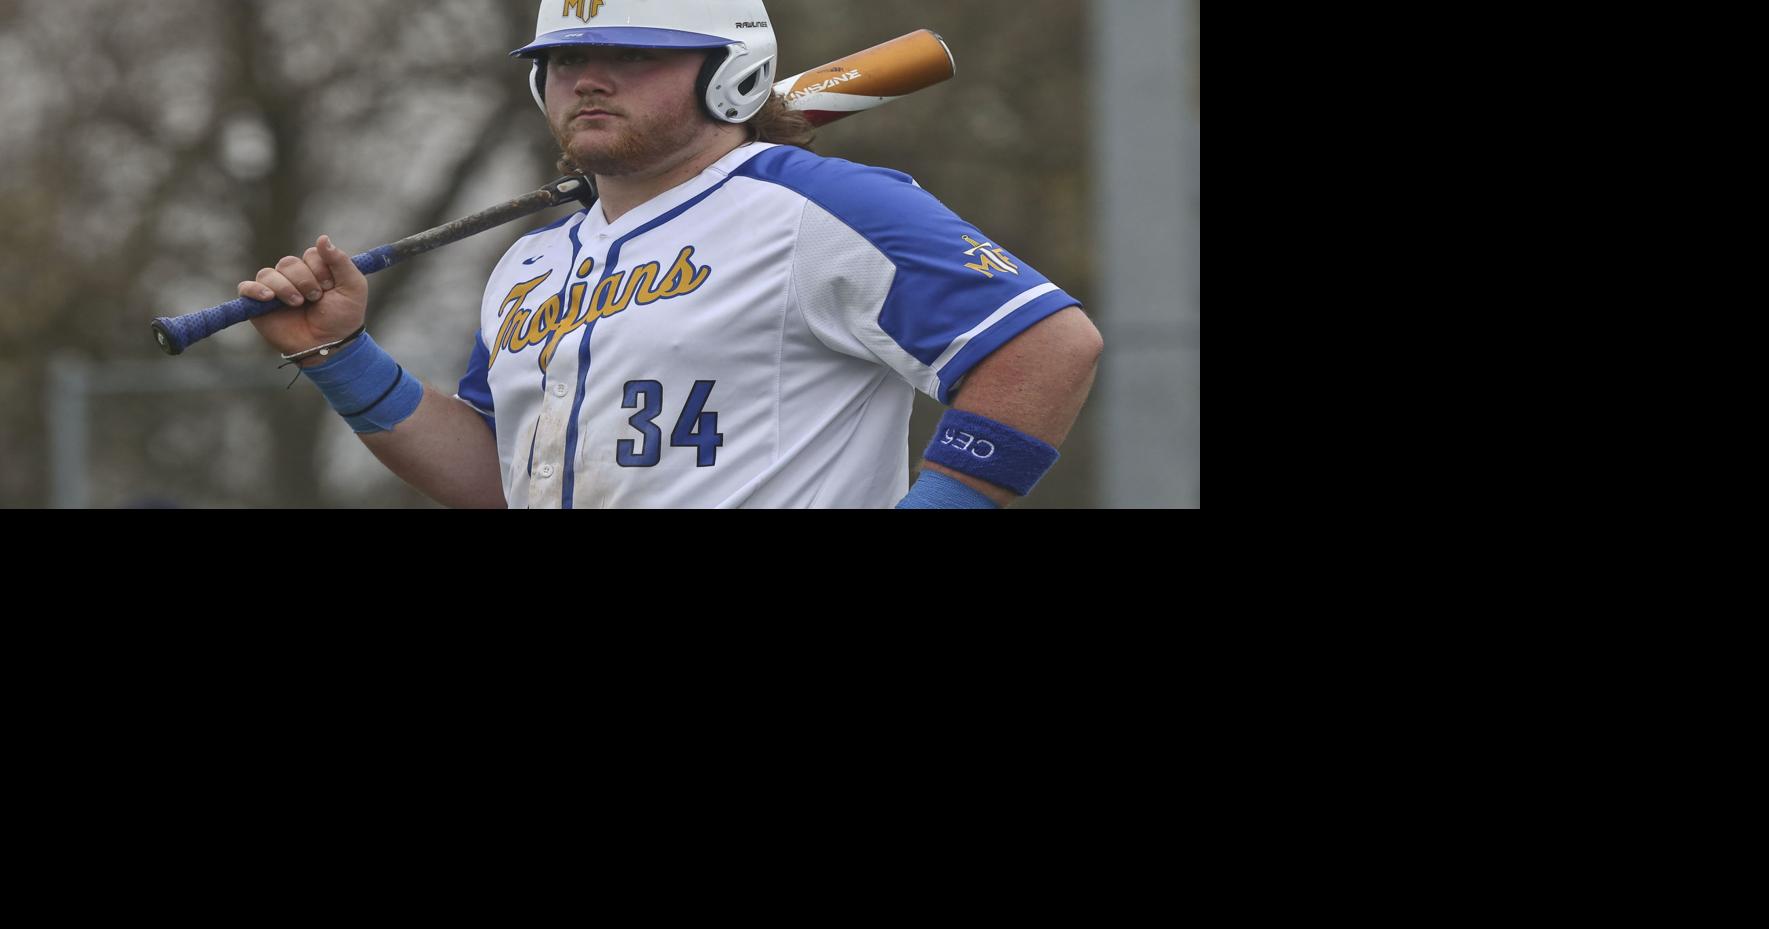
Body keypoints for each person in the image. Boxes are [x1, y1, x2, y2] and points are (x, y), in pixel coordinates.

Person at [242, 0, 1102, 508]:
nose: (588, 78)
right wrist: (339, 355)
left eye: (633, 55)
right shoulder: (530, 263)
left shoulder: (818, 203)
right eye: (566, 58)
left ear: (730, 72)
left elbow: (1045, 344)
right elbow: (503, 478)